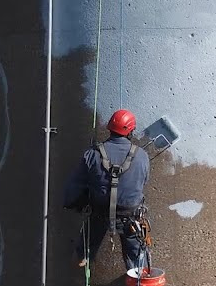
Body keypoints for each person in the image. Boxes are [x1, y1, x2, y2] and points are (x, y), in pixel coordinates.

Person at [63, 109, 152, 271]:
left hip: (99, 214)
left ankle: (82, 262)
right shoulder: (142, 155)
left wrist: (72, 203)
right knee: (137, 259)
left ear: (110, 128)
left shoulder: (92, 154)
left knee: (85, 246)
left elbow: (75, 185)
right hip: (130, 217)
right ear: (131, 131)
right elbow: (143, 181)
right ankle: (138, 281)